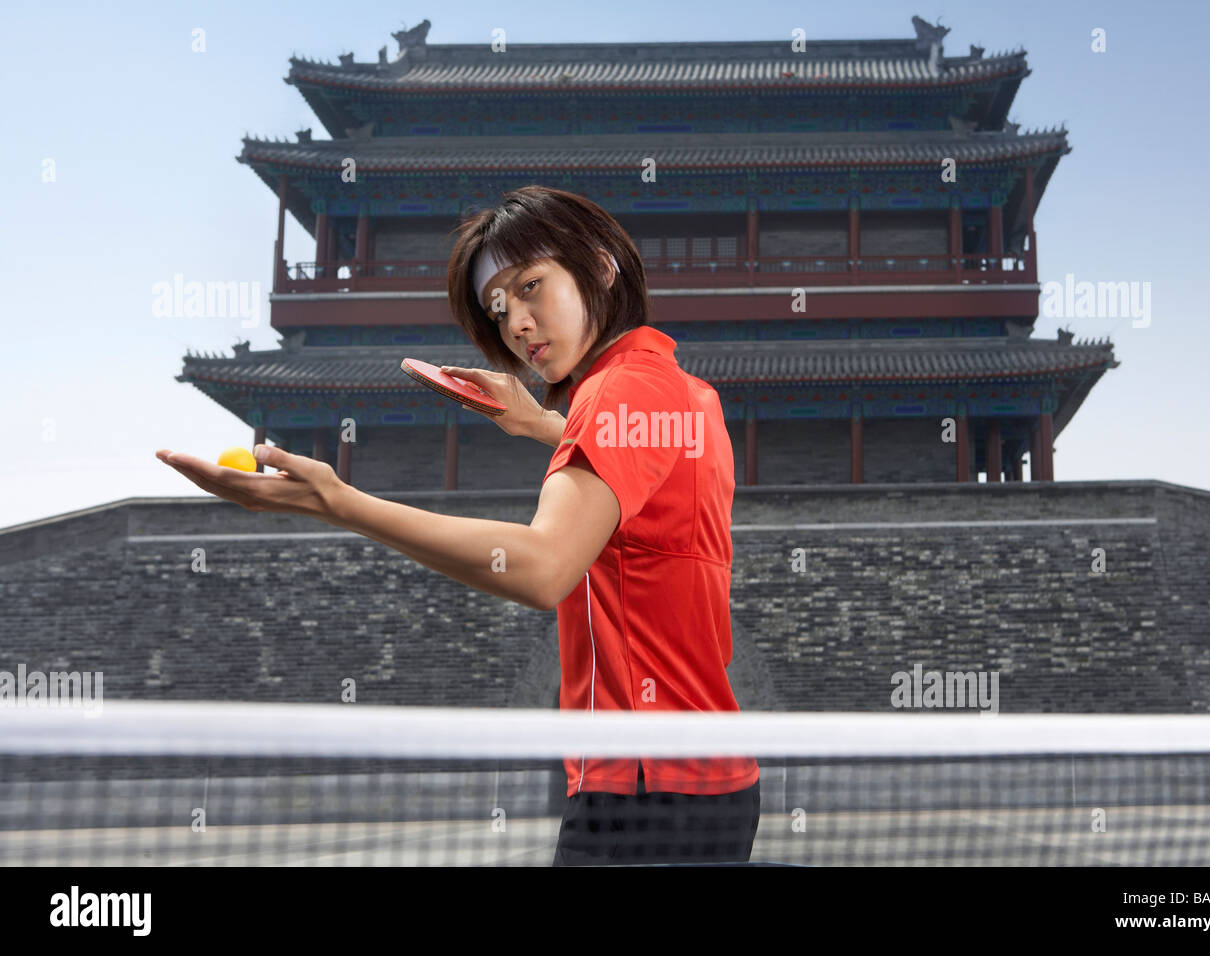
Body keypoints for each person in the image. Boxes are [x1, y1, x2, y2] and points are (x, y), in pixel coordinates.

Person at [155, 185, 760, 866]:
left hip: (644, 790)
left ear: (600, 264)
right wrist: (540, 423)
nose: (519, 324)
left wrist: (336, 503)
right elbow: (645, 481)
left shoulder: (616, 393)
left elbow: (542, 567)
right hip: (709, 777)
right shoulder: (681, 392)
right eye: (500, 309)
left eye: (532, 286)